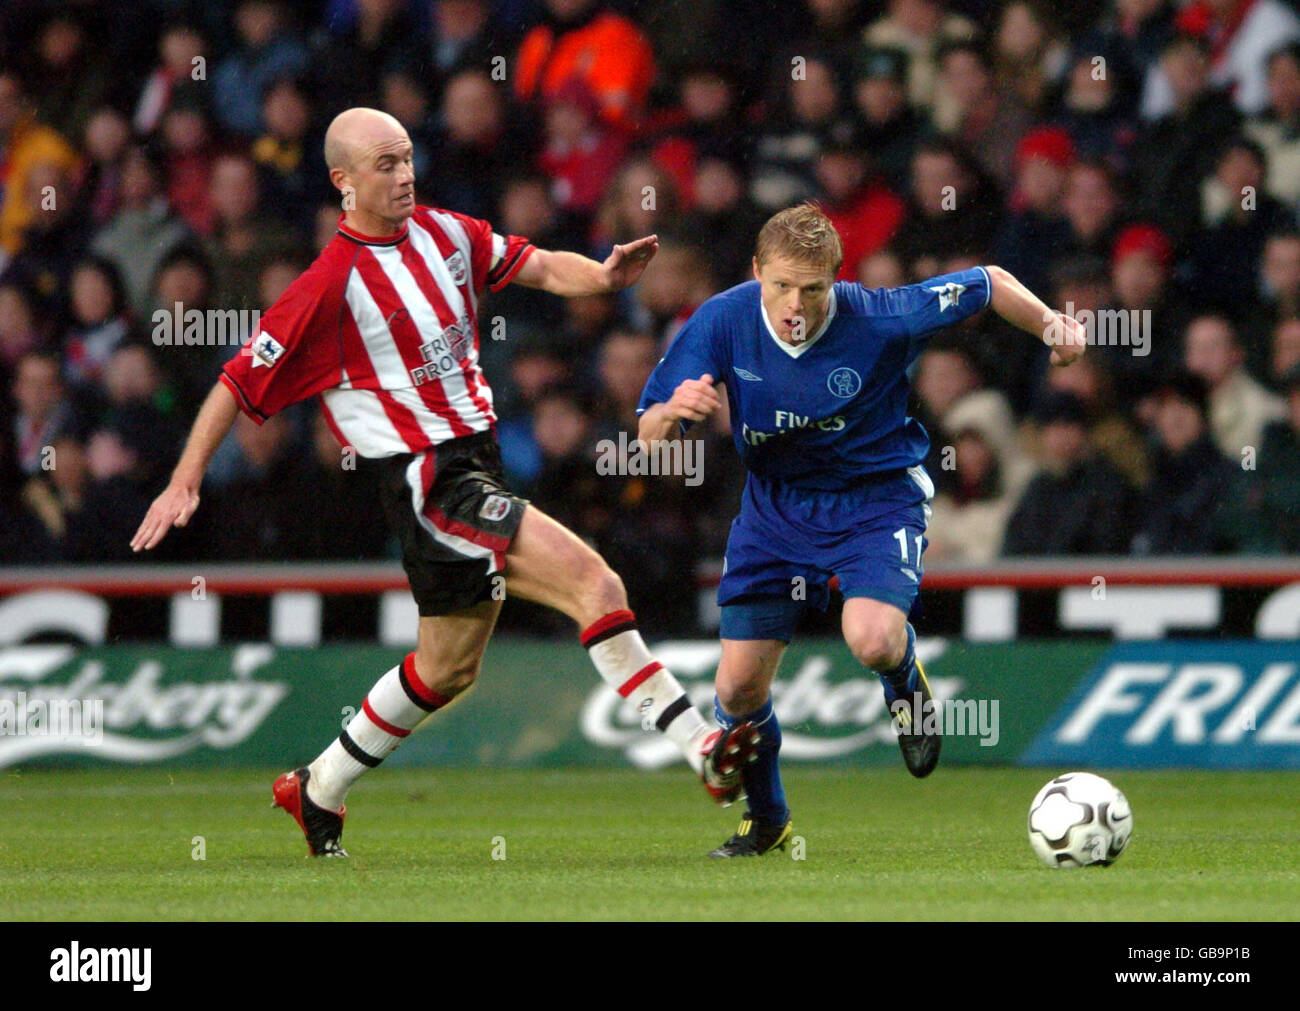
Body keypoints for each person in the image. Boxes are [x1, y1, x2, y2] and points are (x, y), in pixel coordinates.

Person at [130, 107, 757, 858]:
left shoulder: (446, 232)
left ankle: (317, 786)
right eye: (385, 165)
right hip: (430, 478)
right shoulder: (330, 284)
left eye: (406, 158)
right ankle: (703, 749)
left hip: (476, 460)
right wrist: (184, 479)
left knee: (447, 666)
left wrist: (602, 274)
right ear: (343, 182)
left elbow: (537, 264)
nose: (403, 175)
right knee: (595, 583)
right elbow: (237, 380)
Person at [636, 203, 1085, 857]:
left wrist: (1049, 322)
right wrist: (674, 412)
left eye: (812, 289)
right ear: (756, 270)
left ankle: (905, 685)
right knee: (735, 688)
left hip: (875, 500)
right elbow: (648, 440)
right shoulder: (721, 319)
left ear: (836, 280)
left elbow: (987, 280)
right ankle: (768, 820)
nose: (795, 303)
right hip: (775, 509)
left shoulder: (879, 315)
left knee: (872, 639)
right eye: (782, 285)